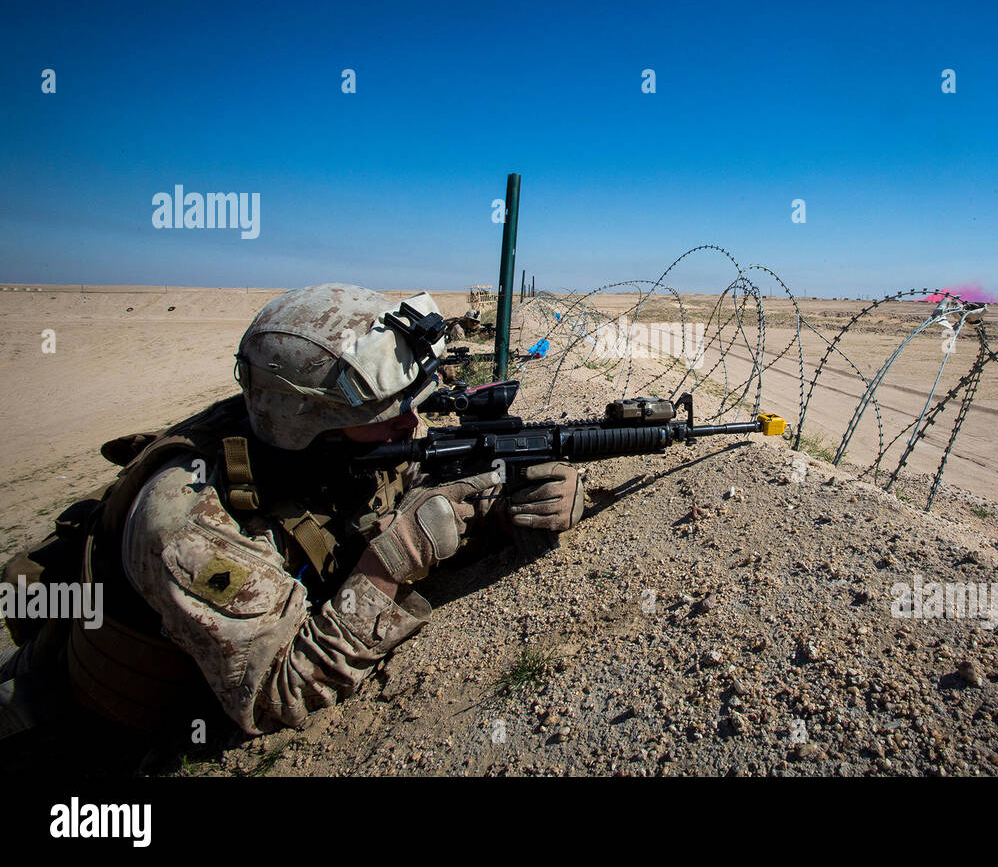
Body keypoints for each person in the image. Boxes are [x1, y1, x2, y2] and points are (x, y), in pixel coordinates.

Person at [0, 283, 583, 739]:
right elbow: (275, 692)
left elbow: (415, 494)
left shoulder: (341, 442)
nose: (411, 422)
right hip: (85, 735)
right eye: (388, 409)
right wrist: (390, 564)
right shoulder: (186, 527)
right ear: (313, 423)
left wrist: (516, 508)